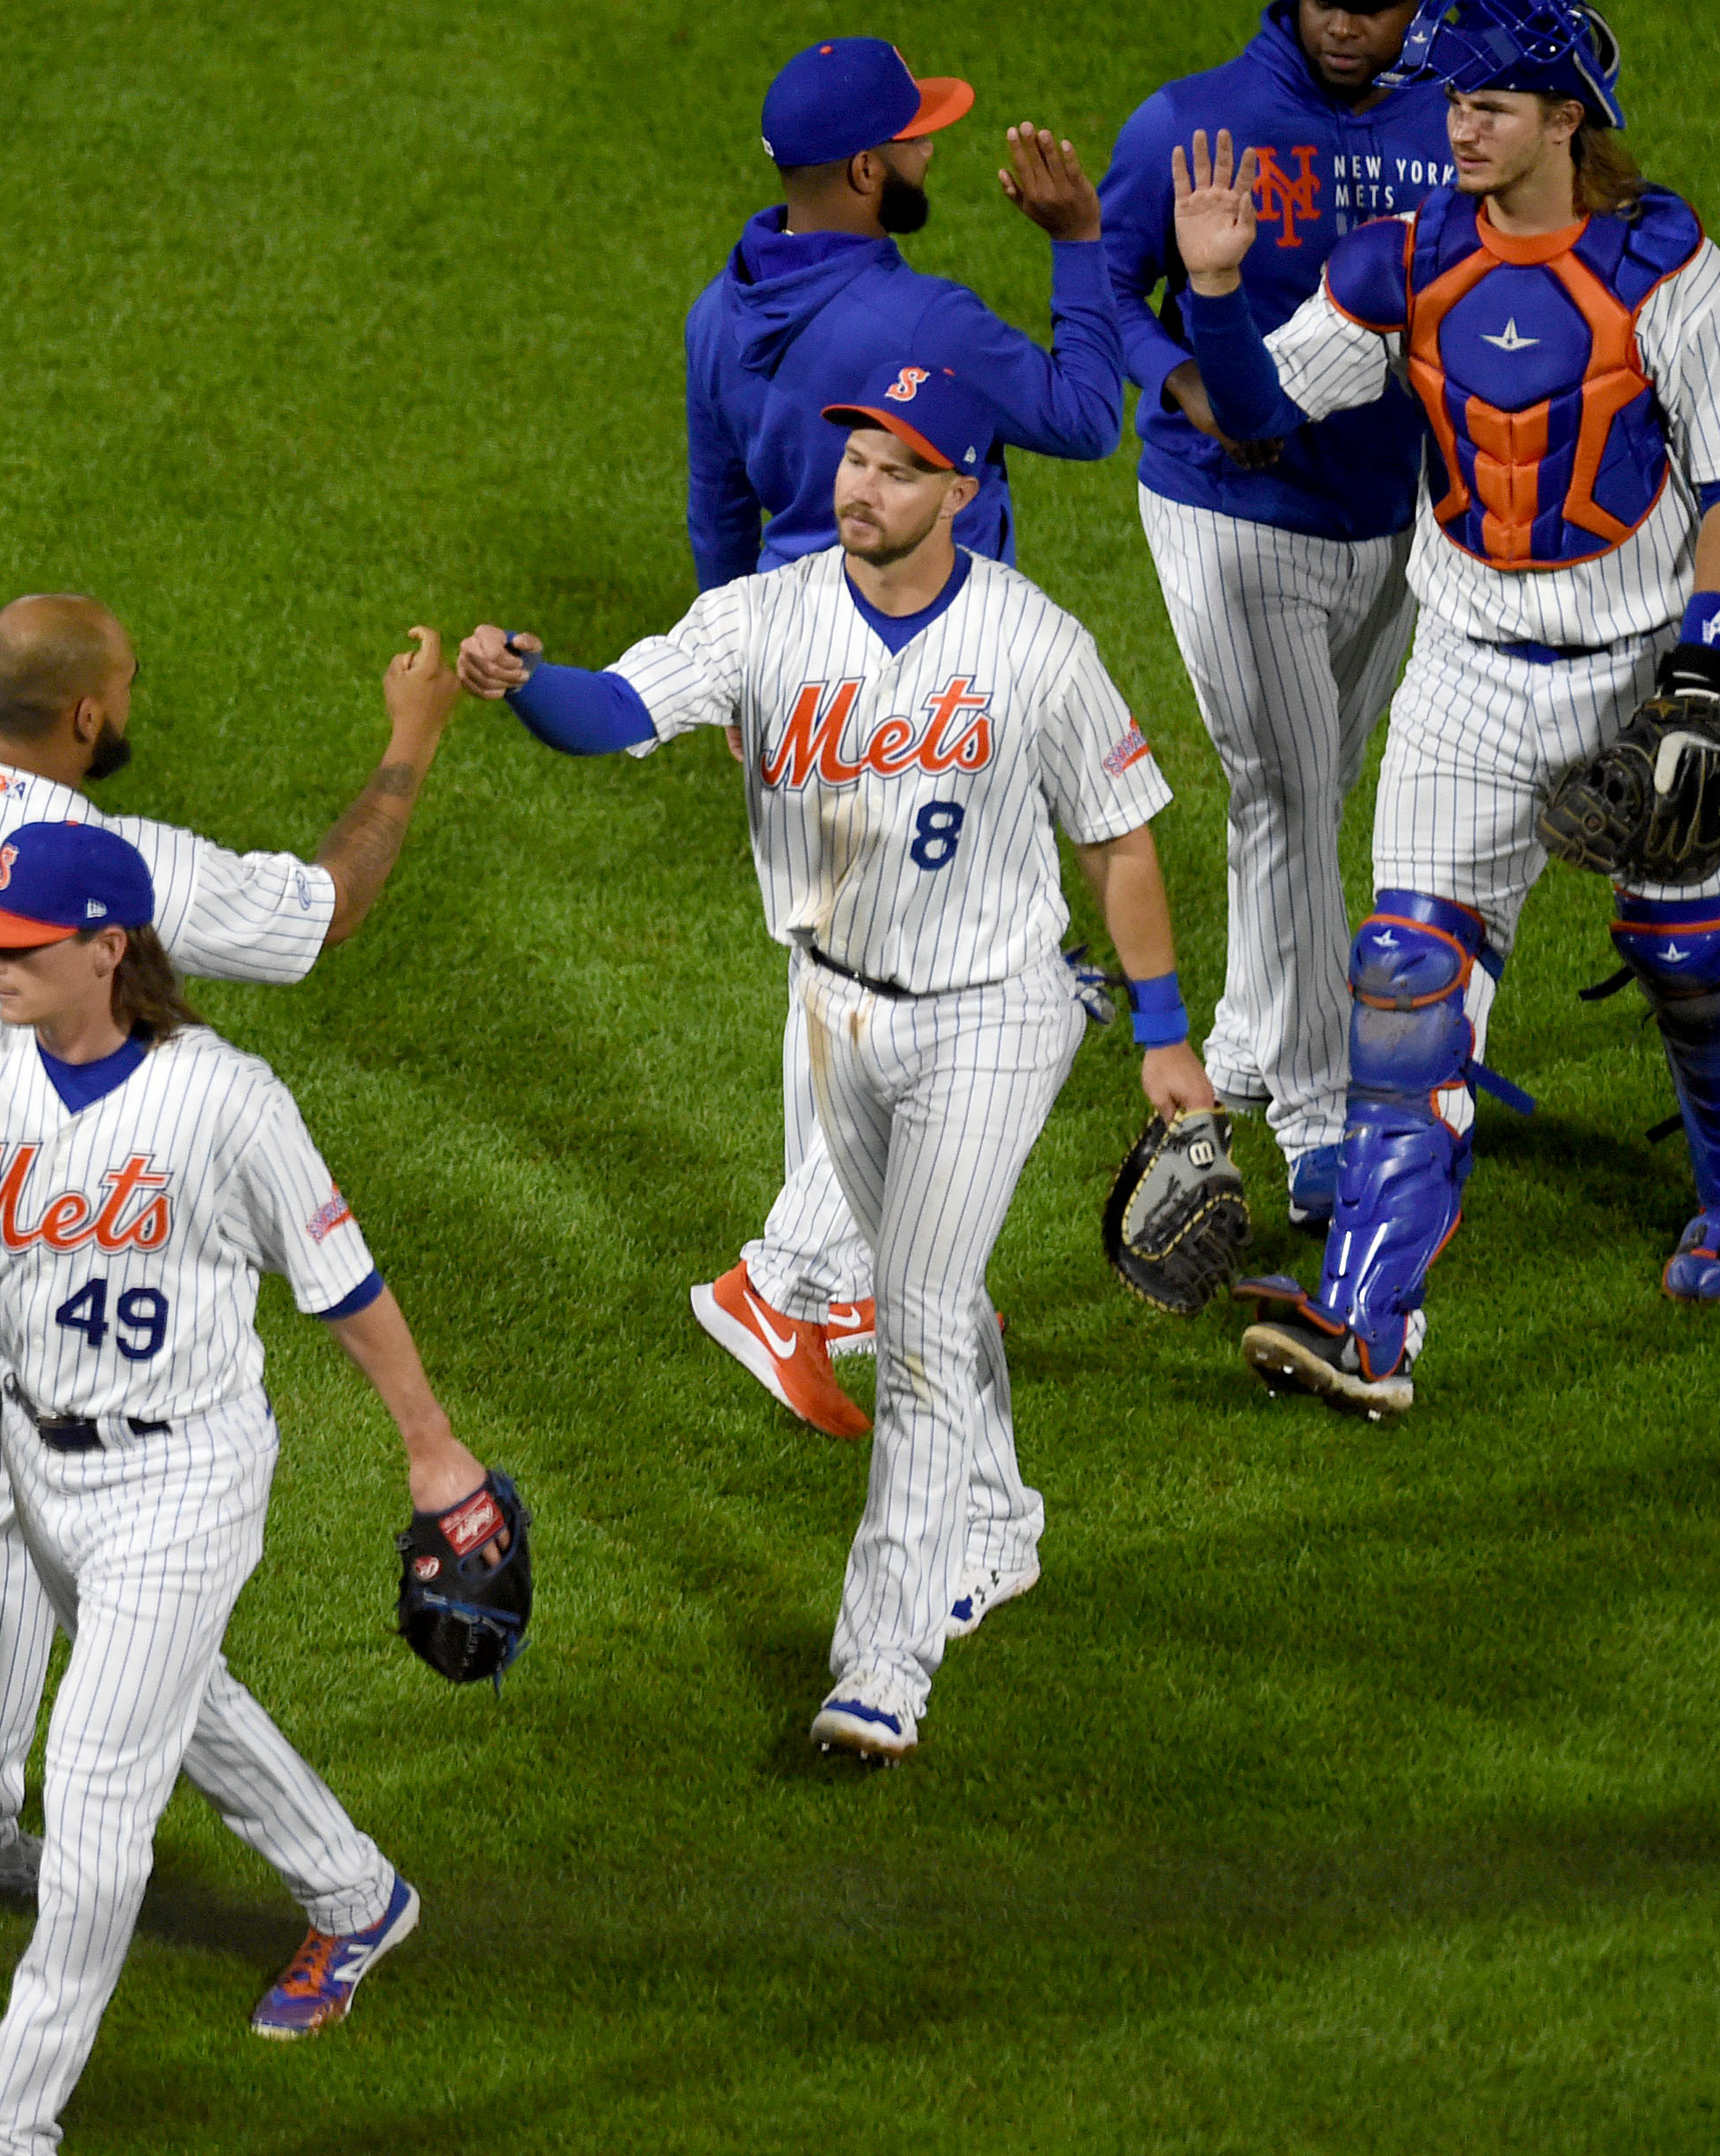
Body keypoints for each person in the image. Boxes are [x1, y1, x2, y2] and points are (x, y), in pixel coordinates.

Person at [457, 364, 1215, 1757]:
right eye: (857, 457)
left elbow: (1118, 840)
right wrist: (522, 684)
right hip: (833, 1007)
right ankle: (999, 1526)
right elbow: (617, 711)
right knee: (937, 1283)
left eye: (899, 468)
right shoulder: (768, 616)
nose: (862, 486)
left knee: (914, 1315)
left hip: (996, 1009)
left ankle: (883, 1667)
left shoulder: (1034, 646)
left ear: (962, 495)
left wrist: (1165, 1035)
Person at [0, 823, 495, 2151]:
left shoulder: (228, 1101)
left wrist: (434, 1451)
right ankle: (358, 1895)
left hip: (183, 1475)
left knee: (91, 1798)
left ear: (108, 950)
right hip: (38, 1459)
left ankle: (11, 2132)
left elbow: (343, 1286)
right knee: (179, 1697)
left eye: (18, 944)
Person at [0, 596, 463, 1925]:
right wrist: (411, 741)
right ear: (89, 713)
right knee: (3, 1519)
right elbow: (328, 911)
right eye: (129, 686)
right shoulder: (117, 858)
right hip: (7, 1208)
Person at [1168, 0, 1720, 1419]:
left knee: (1690, 957)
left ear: (1568, 117)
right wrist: (1214, 294)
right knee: (1403, 990)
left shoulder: (1668, 268)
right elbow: (1262, 408)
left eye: (1492, 108)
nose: (1458, 127)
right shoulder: (1403, 262)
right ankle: (1366, 1327)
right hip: (1465, 665)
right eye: (1449, 104)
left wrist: (1704, 666)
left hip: (1645, 659)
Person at [680, 35, 1129, 1441]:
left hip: (794, 680)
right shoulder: (920, 319)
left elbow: (720, 522)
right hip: (916, 676)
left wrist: (737, 683)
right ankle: (787, 1281)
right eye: (923, 137)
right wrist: (1079, 243)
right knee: (967, 982)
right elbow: (1082, 412)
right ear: (869, 170)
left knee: (840, 975)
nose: (939, 152)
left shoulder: (718, 309)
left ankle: (876, 1279)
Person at [1099, 2, 1453, 1228]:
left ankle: (1249, 1038)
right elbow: (1104, 291)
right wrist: (1178, 373)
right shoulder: (1195, 122)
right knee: (1294, 793)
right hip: (1231, 512)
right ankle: (1316, 1118)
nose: (1350, 22)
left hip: (1394, 512)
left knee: (1305, 790)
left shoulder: (1449, 118)